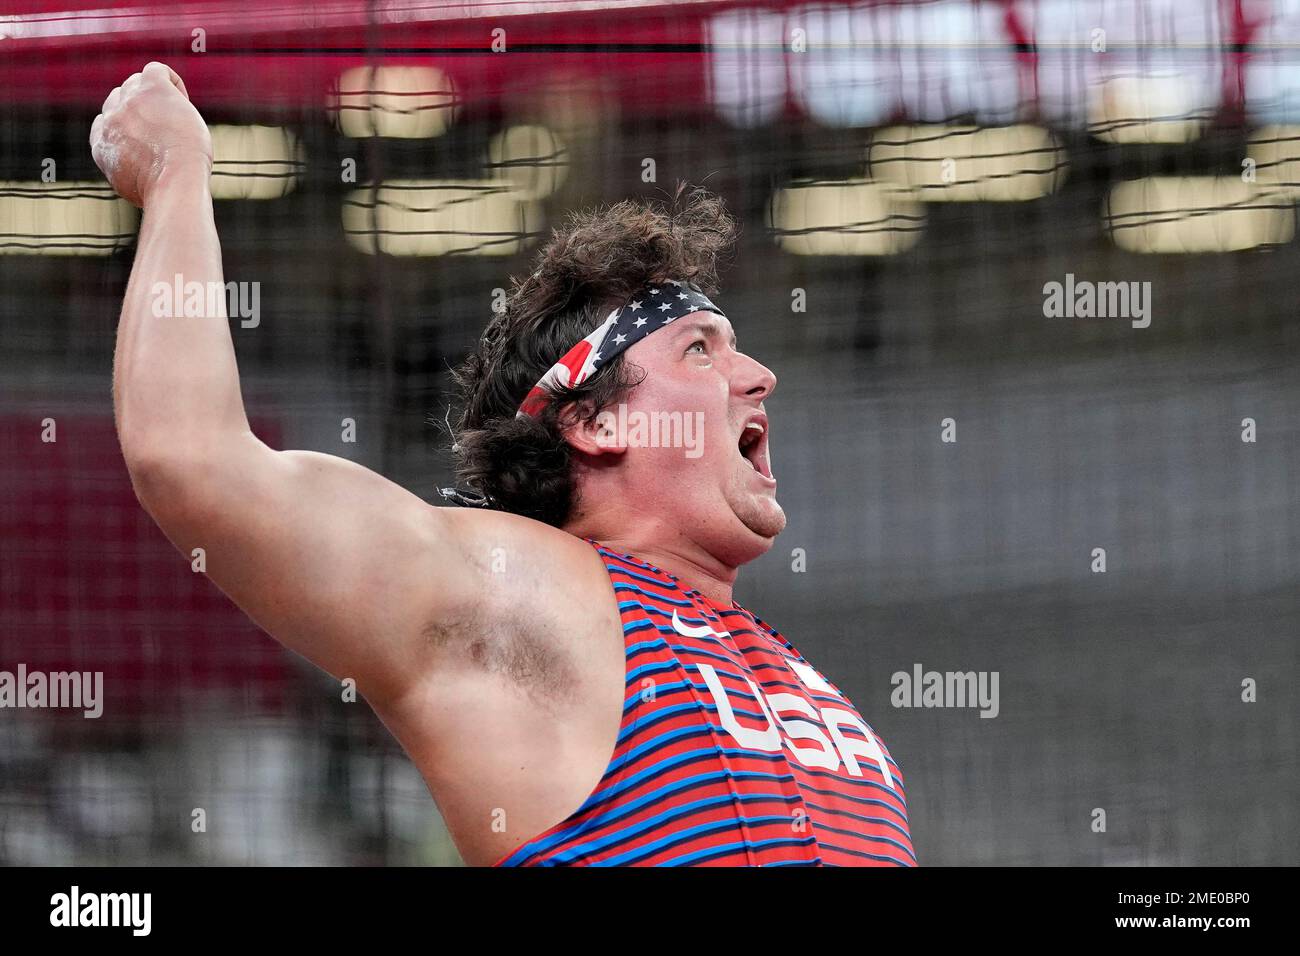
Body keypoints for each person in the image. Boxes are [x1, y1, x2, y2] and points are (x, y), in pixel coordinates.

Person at [91, 61, 915, 866]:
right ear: (592, 422)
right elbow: (191, 458)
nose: (759, 375)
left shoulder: (807, 686)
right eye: (700, 351)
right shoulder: (512, 591)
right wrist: (176, 171)